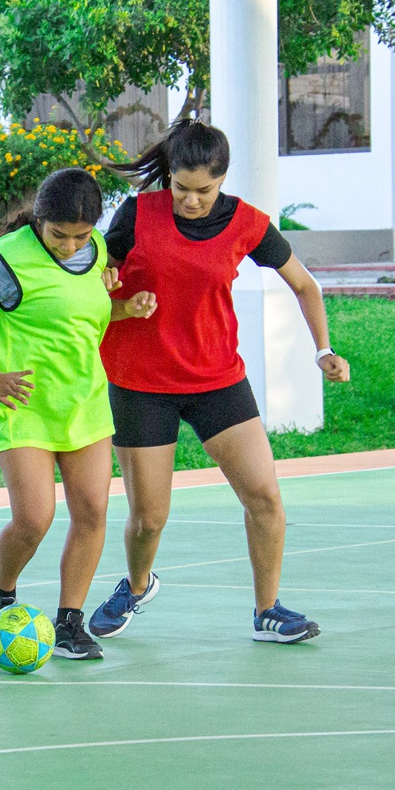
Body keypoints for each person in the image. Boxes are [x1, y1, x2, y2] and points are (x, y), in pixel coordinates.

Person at [86, 119, 347, 646]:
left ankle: (267, 610)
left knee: (265, 497)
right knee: (149, 519)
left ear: (221, 180)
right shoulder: (137, 214)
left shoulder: (247, 223)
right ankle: (136, 585)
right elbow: (94, 280)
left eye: (203, 190)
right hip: (141, 380)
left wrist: (323, 349)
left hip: (216, 378)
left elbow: (304, 285)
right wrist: (107, 281)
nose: (191, 200)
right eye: (181, 188)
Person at [0, 168, 156, 660]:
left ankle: (70, 622)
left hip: (84, 401)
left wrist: (127, 307)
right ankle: (2, 591)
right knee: (34, 519)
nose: (69, 245)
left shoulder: (98, 250)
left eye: (79, 236)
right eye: (58, 234)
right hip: (23, 404)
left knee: (92, 512)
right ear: (40, 220)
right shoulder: (10, 258)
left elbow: (88, 310)